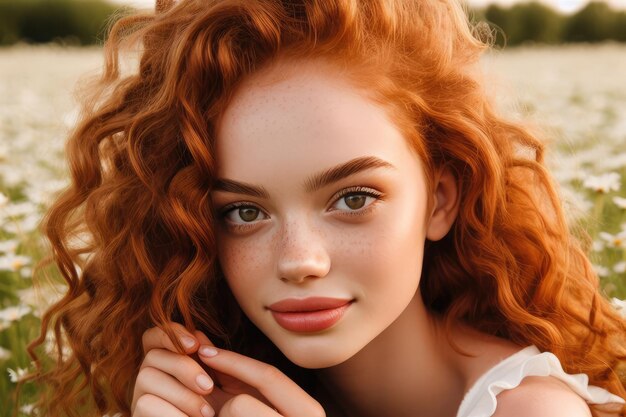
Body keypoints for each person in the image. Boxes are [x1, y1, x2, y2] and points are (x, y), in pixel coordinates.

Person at [27, 0, 626, 416]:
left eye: (354, 198)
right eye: (243, 212)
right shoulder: (220, 388)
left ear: (441, 199)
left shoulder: (529, 409)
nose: (300, 262)